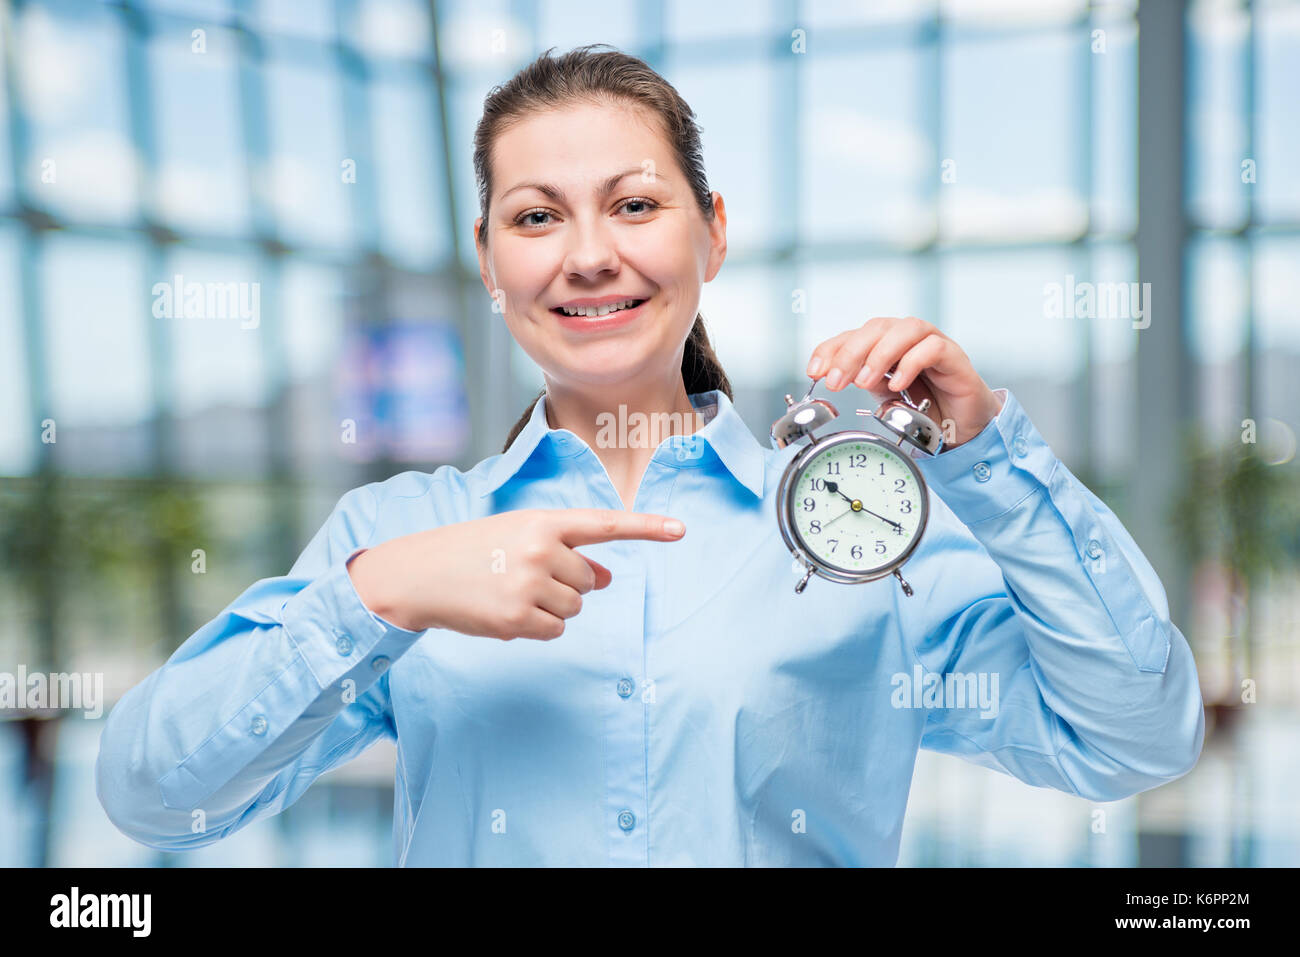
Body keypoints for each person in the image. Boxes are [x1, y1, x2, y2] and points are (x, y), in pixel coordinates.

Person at [96, 44, 1204, 866]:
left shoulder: (868, 536)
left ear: (710, 231)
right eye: (534, 219)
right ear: (487, 260)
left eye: (633, 205)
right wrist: (377, 597)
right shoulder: (400, 537)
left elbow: (1137, 741)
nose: (588, 257)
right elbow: (152, 792)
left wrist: (989, 461)